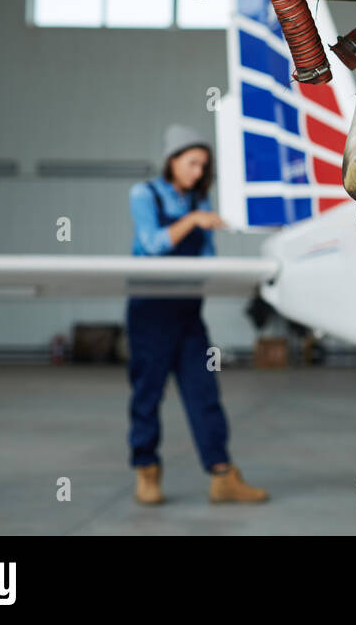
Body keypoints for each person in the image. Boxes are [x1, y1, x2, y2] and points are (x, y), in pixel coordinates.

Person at [126, 123, 268, 505]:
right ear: (172, 161)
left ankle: (223, 477)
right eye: (192, 163)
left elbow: (206, 257)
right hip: (149, 312)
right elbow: (152, 245)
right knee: (147, 394)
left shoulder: (199, 202)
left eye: (203, 166)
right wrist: (191, 222)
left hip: (188, 312)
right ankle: (147, 472)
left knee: (203, 393)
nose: (198, 173)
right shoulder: (144, 195)